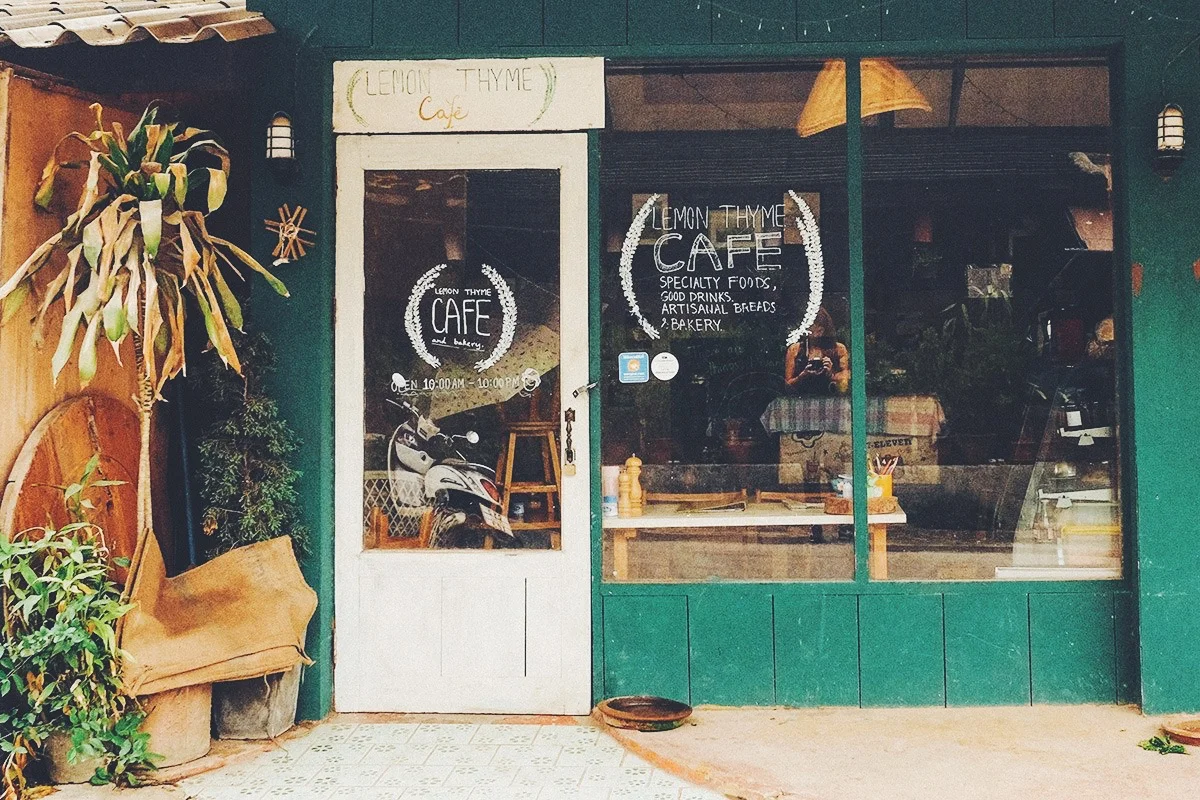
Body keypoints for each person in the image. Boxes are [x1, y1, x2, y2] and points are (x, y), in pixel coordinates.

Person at [784, 306, 850, 394]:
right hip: (802, 398)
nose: (818, 334)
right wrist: (802, 376)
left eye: (820, 330)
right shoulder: (795, 350)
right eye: (812, 328)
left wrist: (831, 374)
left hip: (830, 398)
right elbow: (787, 386)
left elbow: (845, 384)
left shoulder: (838, 349)